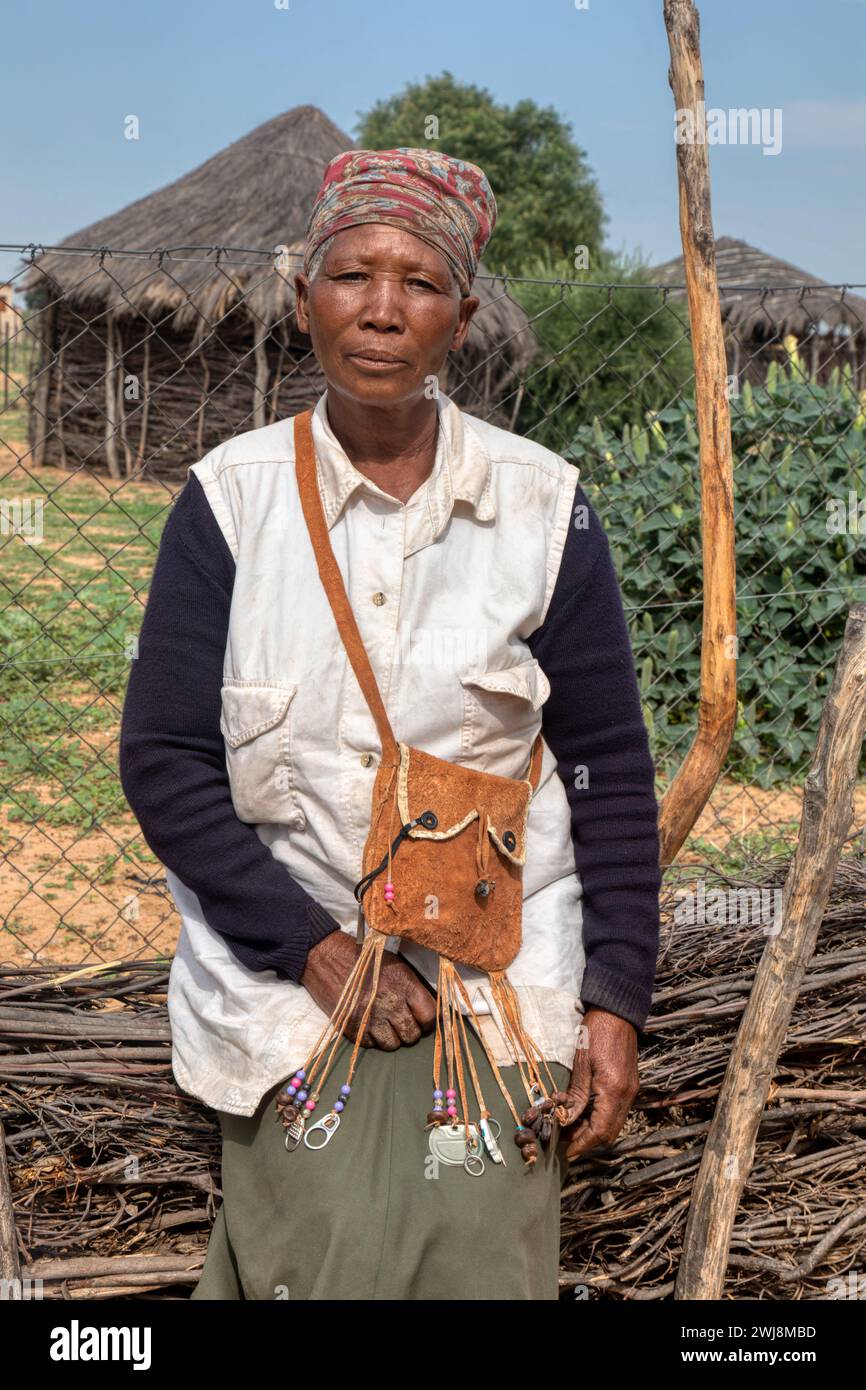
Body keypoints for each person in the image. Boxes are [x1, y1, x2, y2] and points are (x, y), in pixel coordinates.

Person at [119, 147, 662, 1301]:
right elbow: (163, 760)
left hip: (497, 987)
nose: (380, 309)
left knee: (479, 1258)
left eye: (419, 282)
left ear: (462, 317)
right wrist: (312, 951)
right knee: (310, 1258)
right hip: (286, 991)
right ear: (301, 294)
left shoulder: (541, 509)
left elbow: (609, 766)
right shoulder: (231, 502)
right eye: (352, 274)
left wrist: (616, 995)